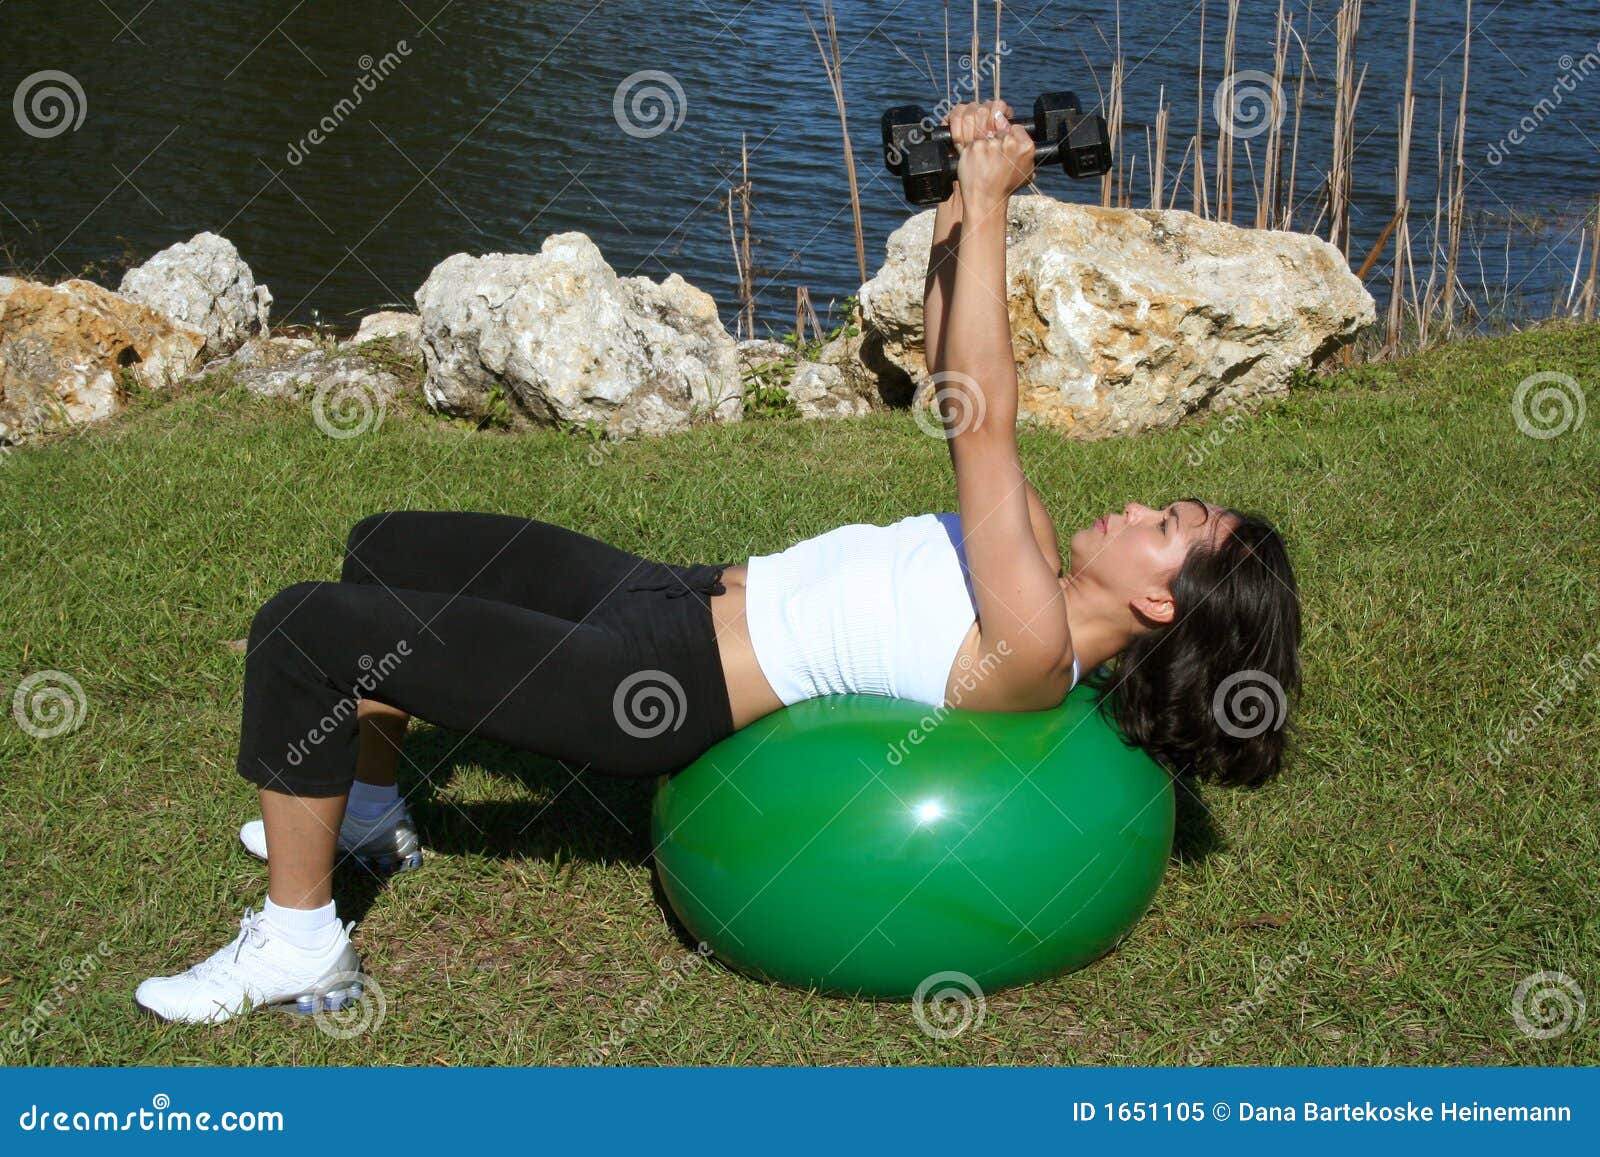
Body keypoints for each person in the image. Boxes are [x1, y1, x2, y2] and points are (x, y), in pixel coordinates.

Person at [134, 99, 1301, 1024]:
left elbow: (982, 424)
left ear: (1158, 596)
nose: (1141, 502)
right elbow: (955, 378)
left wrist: (999, 208)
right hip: (672, 591)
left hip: (658, 685)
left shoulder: (1033, 646)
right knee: (385, 549)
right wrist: (955, 203)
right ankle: (371, 810)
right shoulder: (1034, 558)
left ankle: (299, 940)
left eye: (1170, 520)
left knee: (309, 629)